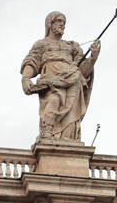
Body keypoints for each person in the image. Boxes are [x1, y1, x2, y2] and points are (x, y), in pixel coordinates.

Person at [20, 11, 99, 141]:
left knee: (71, 113)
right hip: (51, 80)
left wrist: (93, 58)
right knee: (54, 100)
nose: (62, 25)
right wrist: (26, 78)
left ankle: (67, 140)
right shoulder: (41, 44)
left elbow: (83, 70)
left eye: (64, 22)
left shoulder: (72, 46)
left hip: (73, 79)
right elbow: (32, 62)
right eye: (59, 21)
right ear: (50, 24)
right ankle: (47, 132)